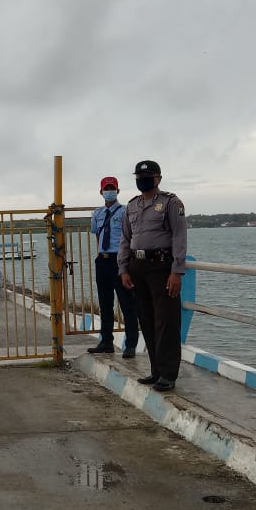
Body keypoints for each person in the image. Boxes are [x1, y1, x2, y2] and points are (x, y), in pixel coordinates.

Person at [118, 160, 188, 392]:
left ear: (158, 178)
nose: (142, 180)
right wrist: (124, 268)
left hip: (161, 266)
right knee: (147, 321)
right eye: (138, 176)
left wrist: (177, 271)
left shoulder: (171, 203)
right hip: (137, 266)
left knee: (166, 321)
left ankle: (168, 375)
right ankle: (156, 370)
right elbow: (125, 239)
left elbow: (179, 236)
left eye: (147, 176)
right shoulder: (133, 205)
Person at [89, 176, 139, 358]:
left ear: (118, 191)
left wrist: (126, 262)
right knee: (105, 303)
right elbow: (97, 236)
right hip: (103, 260)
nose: (109, 191)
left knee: (127, 303)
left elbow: (132, 237)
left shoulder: (126, 212)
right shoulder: (97, 214)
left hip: (120, 261)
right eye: (106, 188)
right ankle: (106, 341)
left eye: (112, 188)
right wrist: (101, 254)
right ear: (101, 192)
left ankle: (131, 343)